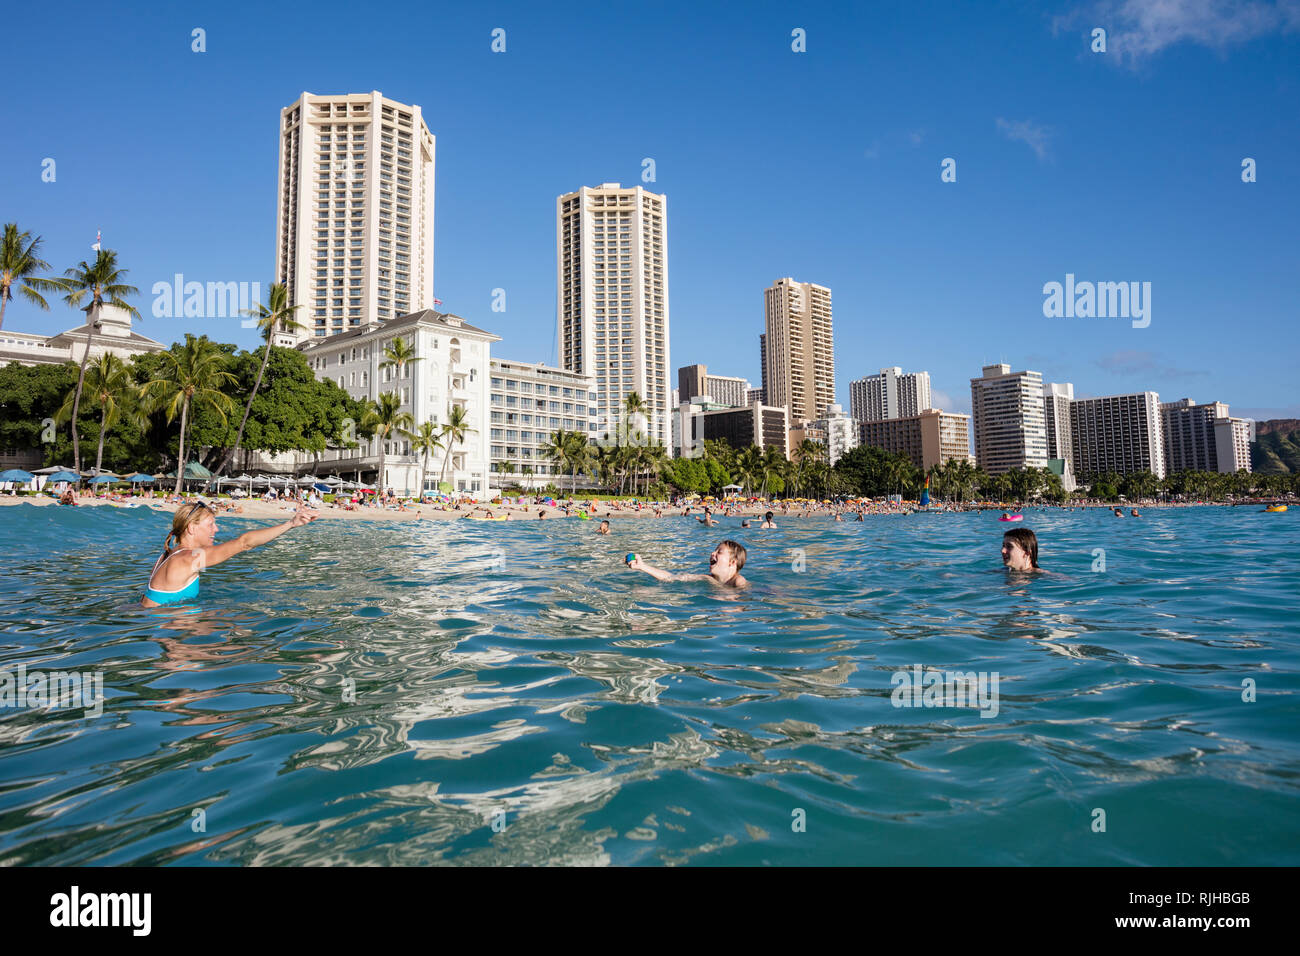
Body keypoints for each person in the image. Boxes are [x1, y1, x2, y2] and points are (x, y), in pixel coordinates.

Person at [142, 501, 318, 607]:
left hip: (154, 624)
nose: (216, 529)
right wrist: (291, 524)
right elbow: (244, 543)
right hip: (168, 632)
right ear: (192, 528)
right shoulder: (189, 558)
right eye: (211, 524)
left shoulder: (167, 555)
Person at [627, 539, 749, 588]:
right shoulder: (707, 578)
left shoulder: (738, 581)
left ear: (732, 562)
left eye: (719, 552)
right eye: (714, 550)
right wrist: (642, 566)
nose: (713, 553)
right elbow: (671, 577)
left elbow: (739, 604)